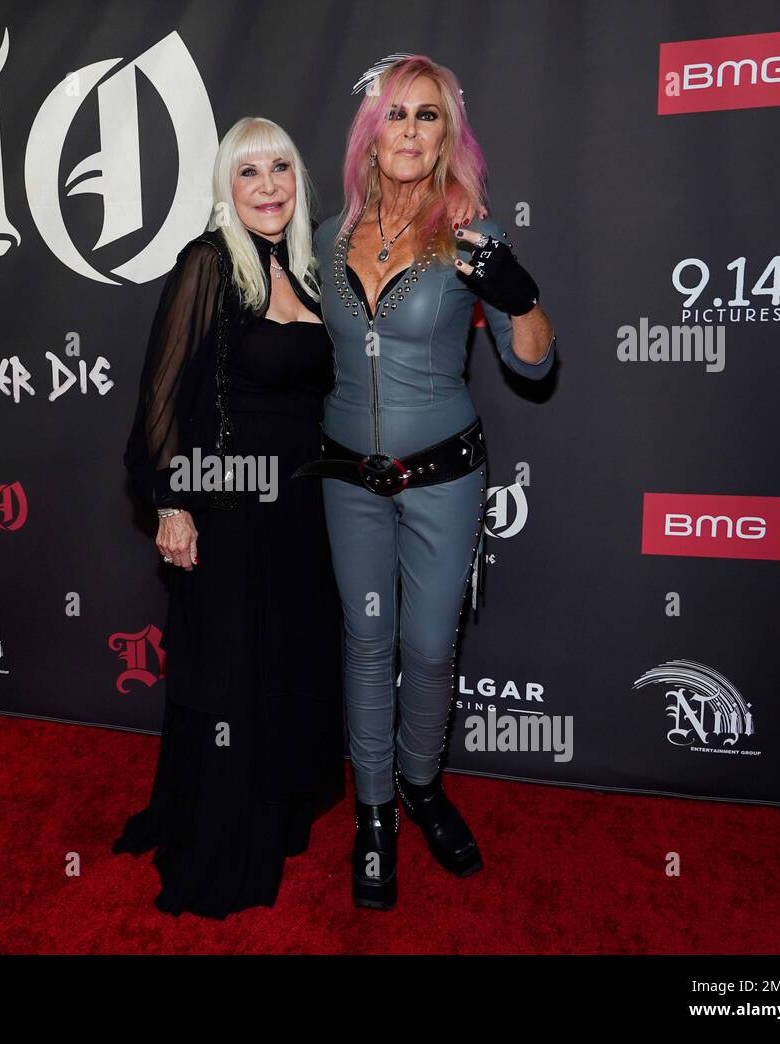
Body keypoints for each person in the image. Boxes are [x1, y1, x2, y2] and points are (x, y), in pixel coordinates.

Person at [298, 54, 557, 909]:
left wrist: (519, 300)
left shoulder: (471, 237)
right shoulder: (329, 234)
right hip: (345, 477)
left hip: (443, 480)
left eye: (428, 116)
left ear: (450, 135)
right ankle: (375, 814)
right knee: (367, 644)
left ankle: (420, 786)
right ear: (370, 135)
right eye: (396, 115)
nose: (409, 131)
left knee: (427, 648)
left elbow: (536, 364)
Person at [114, 117, 346, 919]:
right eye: (249, 173)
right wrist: (172, 501)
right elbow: (161, 393)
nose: (270, 185)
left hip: (306, 506)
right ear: (227, 188)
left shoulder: (311, 270)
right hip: (232, 500)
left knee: (286, 659)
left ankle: (279, 806)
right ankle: (222, 832)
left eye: (282, 167)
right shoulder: (210, 263)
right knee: (231, 669)